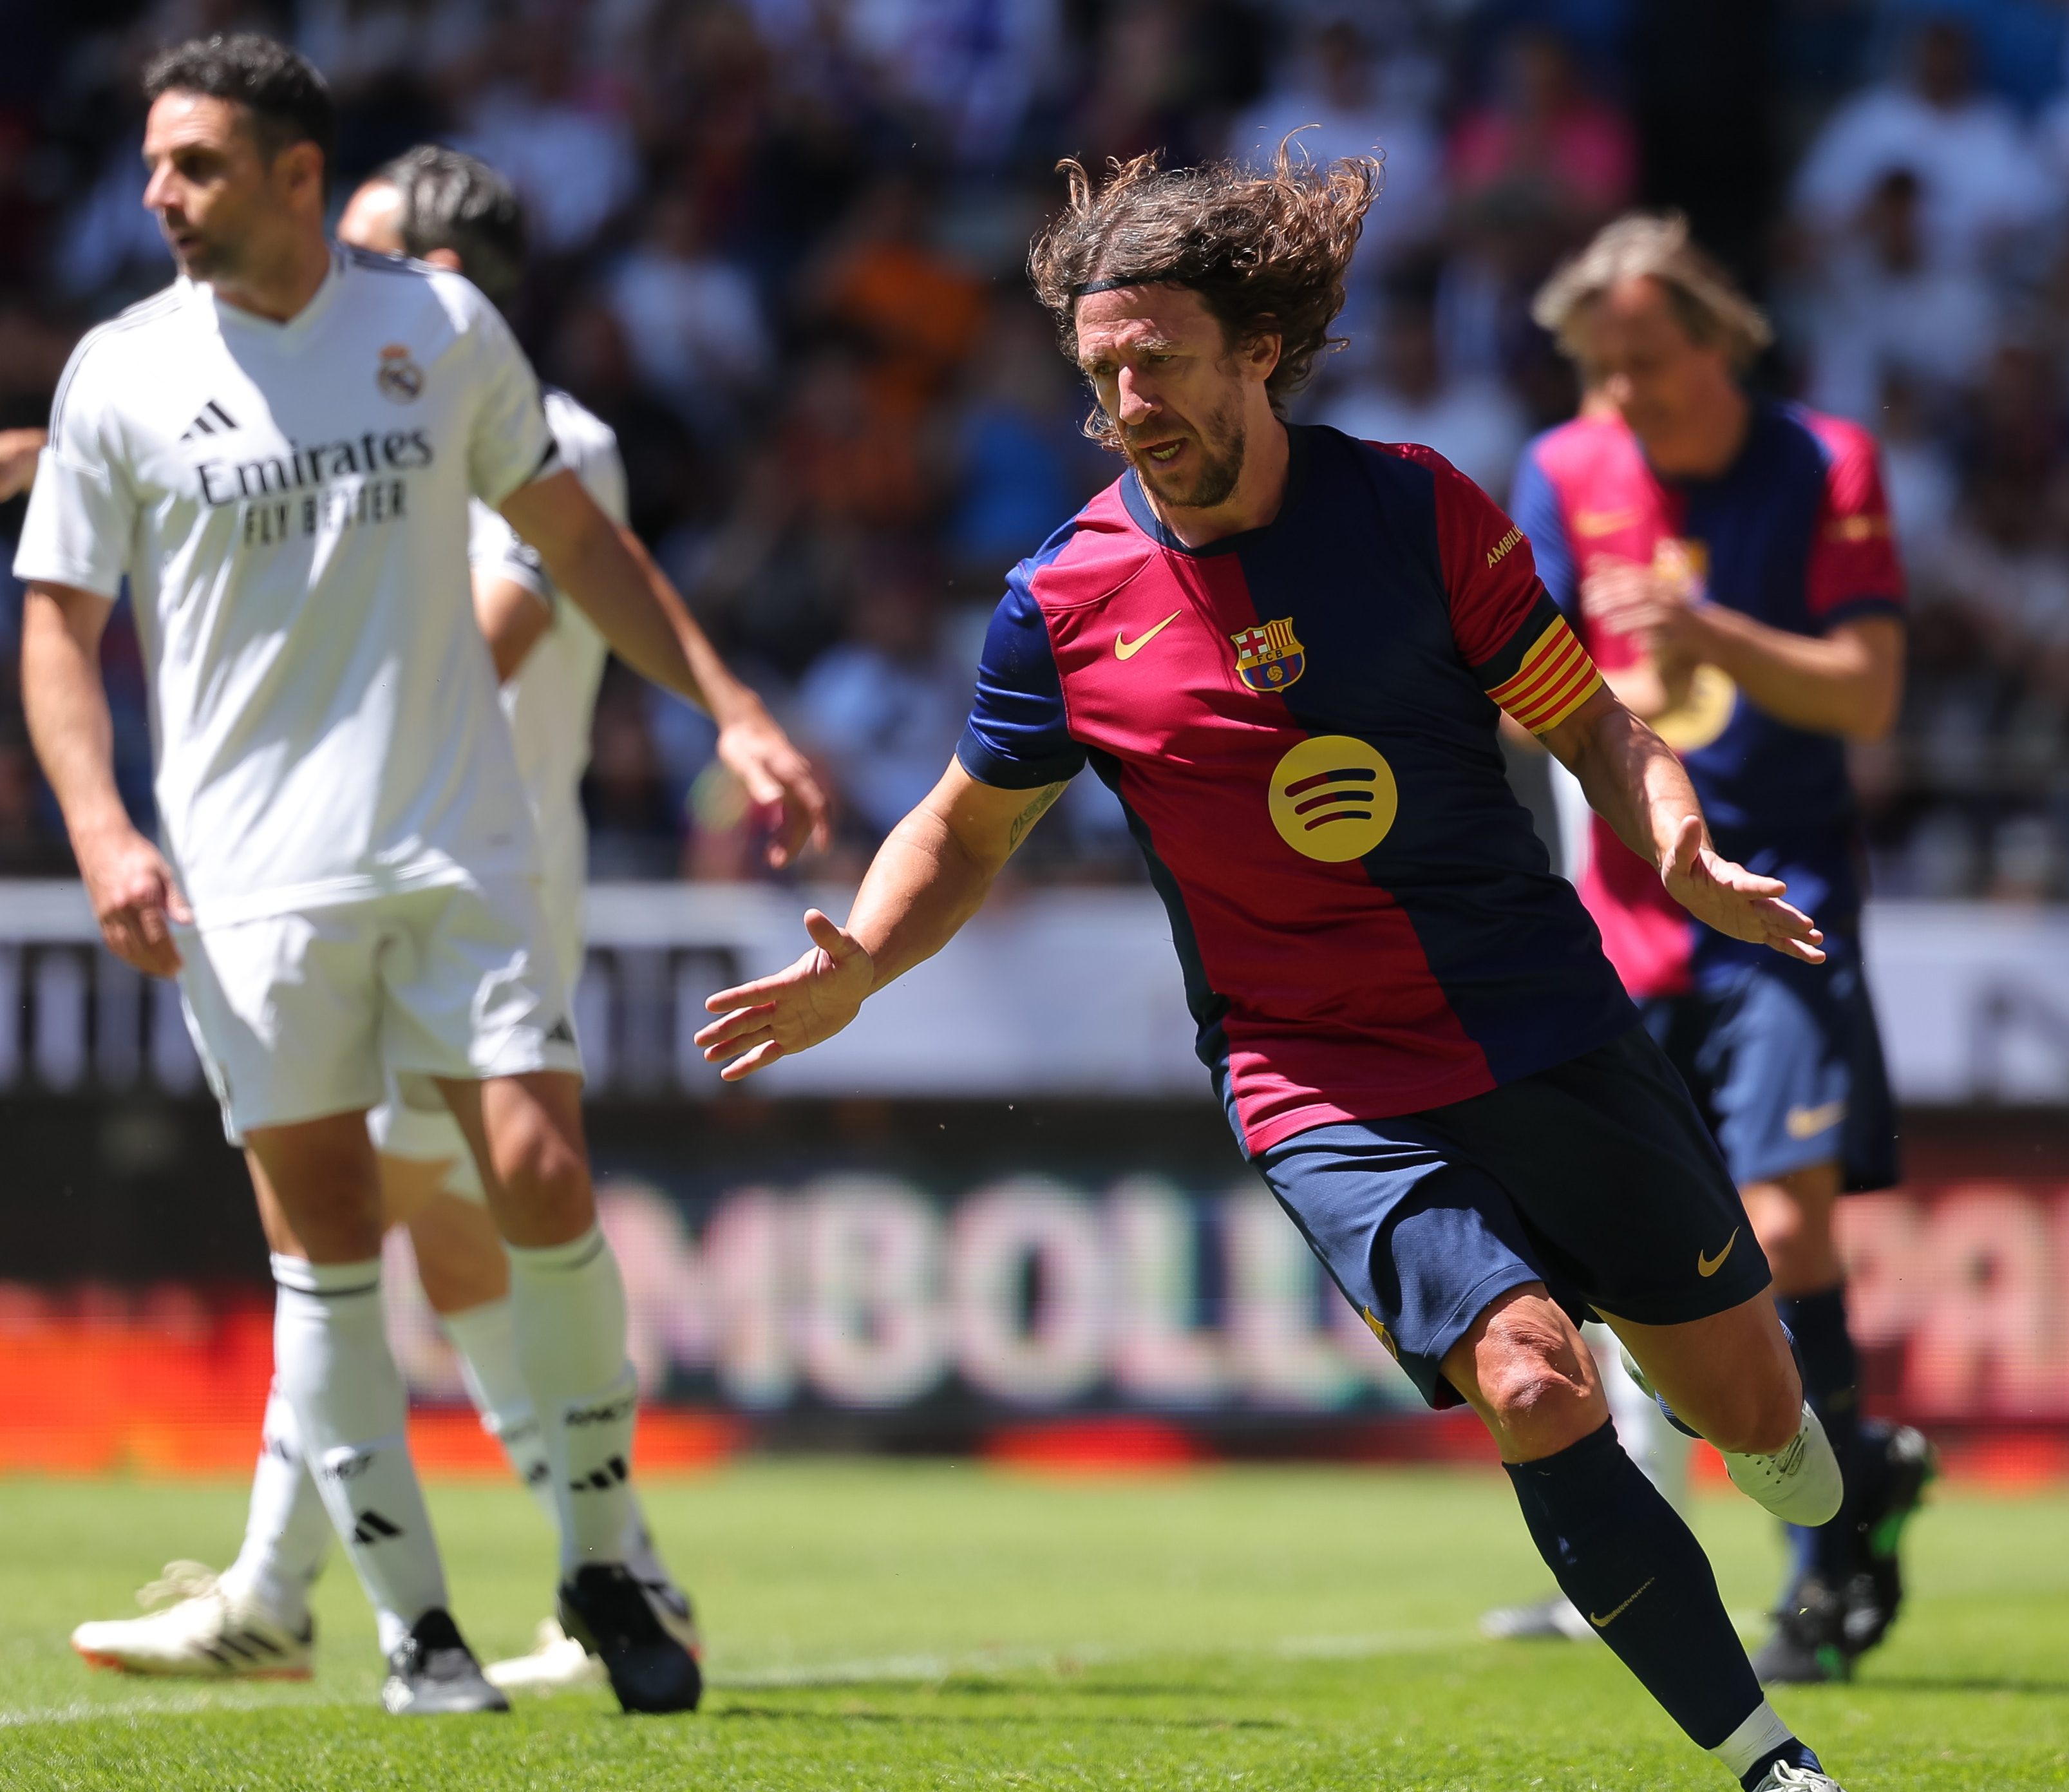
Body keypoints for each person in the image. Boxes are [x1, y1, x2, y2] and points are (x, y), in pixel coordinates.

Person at [693, 148, 1851, 1792]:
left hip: (1541, 1021)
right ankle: (1763, 1758)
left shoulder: (1416, 510)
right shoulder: (1064, 601)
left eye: (1155, 355)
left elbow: (1590, 720)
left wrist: (1669, 839)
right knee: (1529, 1374)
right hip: (1318, 1076)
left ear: (1256, 348)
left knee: (1748, 1417)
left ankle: (1789, 1440)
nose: (1125, 395)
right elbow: (964, 827)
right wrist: (860, 962)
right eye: (1099, 366)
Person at [11, 36, 826, 1715]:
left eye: (198, 164)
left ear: (299, 172)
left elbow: (579, 544)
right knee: (330, 1251)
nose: (159, 193)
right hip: (249, 879)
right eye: (154, 164)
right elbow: (60, 626)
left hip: (457, 847)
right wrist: (101, 827)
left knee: (538, 1176)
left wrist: (732, 709)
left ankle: (601, 1565)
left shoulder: (442, 335)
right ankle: (413, 1630)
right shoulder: (117, 372)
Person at [1502, 211, 1931, 1686]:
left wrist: (1706, 632)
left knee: (1793, 1225)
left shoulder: (1825, 463)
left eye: (1649, 358)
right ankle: (1850, 1472)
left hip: (1781, 892)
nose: (1625, 391)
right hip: (1618, 913)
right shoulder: (1561, 470)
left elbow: (1866, 697)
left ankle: (1824, 1566)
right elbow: (1509, 692)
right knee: (1635, 1258)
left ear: (1719, 342)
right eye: (1600, 367)